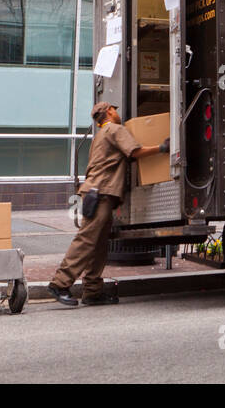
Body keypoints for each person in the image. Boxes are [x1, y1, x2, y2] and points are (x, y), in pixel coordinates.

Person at [47, 101, 164, 307]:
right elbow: (134, 152)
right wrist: (162, 148)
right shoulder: (114, 129)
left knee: (99, 244)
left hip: (99, 192)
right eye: (115, 109)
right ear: (109, 111)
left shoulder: (101, 134)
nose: (118, 113)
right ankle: (60, 283)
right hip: (101, 192)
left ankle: (93, 291)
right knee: (87, 239)